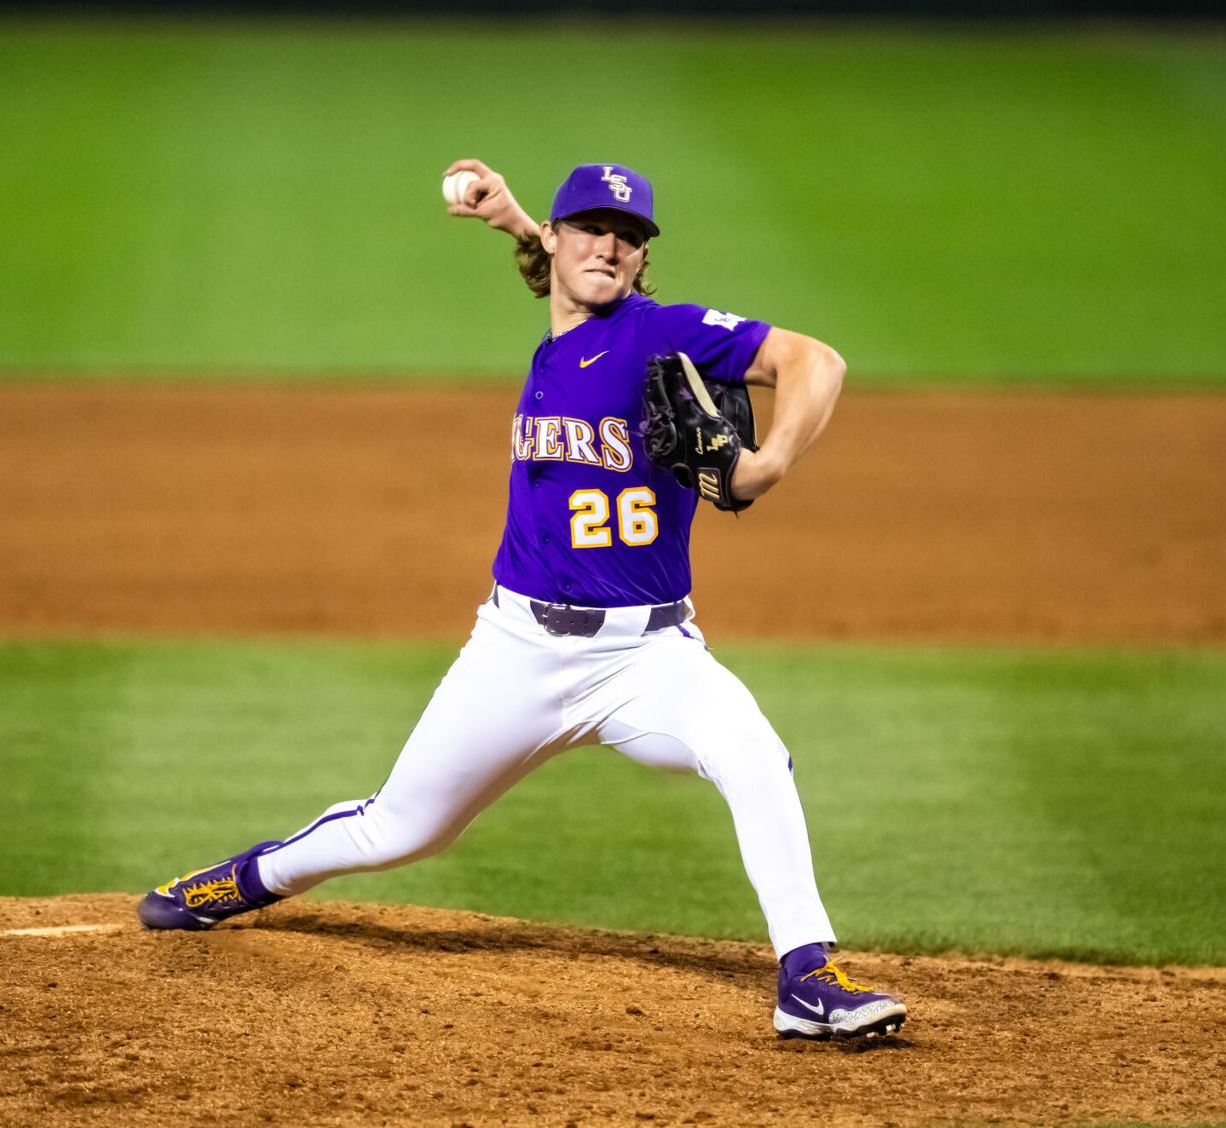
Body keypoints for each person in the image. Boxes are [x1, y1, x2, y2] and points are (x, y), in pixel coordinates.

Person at [136, 159, 907, 1041]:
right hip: (516, 652)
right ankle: (232, 884)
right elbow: (568, 274)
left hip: (647, 659)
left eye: (628, 237)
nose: (608, 246)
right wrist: (512, 221)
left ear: (642, 258)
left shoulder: (665, 335)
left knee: (755, 758)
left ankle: (807, 978)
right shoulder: (558, 333)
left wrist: (765, 464)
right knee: (401, 830)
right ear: (558, 236)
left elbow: (816, 360)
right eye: (589, 228)